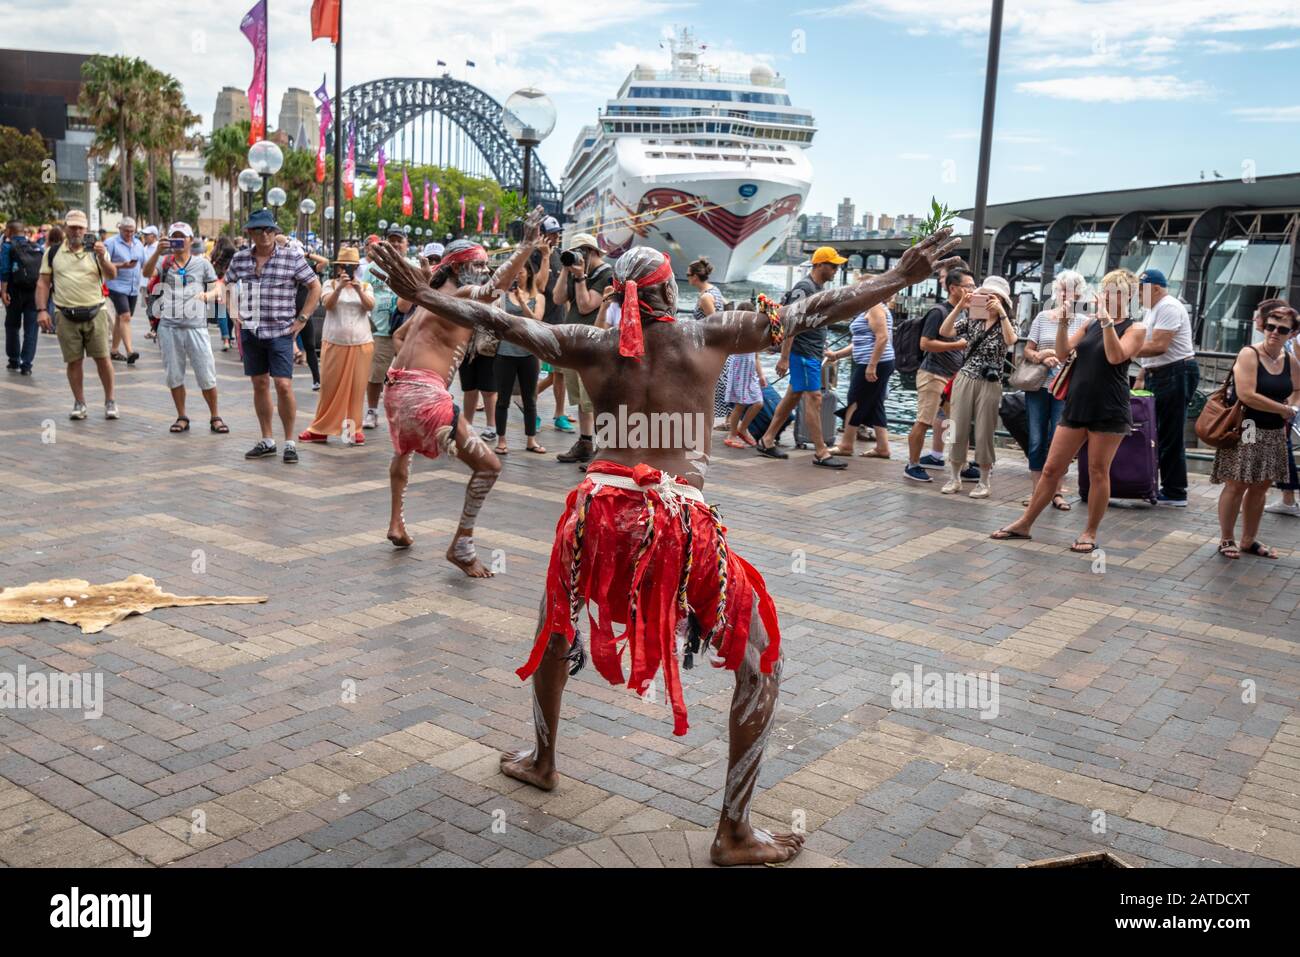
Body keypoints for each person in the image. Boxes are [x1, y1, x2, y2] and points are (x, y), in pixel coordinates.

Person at [371, 210, 963, 866]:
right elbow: (813, 309)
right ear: (667, 294)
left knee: (556, 627)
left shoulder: (589, 343)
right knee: (760, 661)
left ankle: (542, 758)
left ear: (620, 295)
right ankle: (733, 829)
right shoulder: (707, 333)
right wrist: (895, 278)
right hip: (676, 522)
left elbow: (505, 323)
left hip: (597, 514)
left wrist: (425, 293)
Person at [377, 236, 535, 574]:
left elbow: (400, 336)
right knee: (489, 467)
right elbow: (496, 288)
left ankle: (396, 524)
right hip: (423, 396)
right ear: (459, 268)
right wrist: (526, 248)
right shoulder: (460, 296)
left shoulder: (431, 301)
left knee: (402, 450)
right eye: (477, 265)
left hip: (397, 389)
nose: (483, 271)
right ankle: (462, 547)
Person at [992, 269, 1148, 552]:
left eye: (1117, 293)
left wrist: (1108, 322)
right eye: (1107, 291)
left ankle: (1089, 532)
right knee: (1052, 468)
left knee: (1098, 471)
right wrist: (1064, 324)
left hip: (1109, 408)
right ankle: (1025, 523)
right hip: (1077, 402)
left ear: (1129, 297)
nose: (1109, 297)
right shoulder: (1089, 324)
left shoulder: (1135, 328)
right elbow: (1063, 354)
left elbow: (1115, 356)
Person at [223, 209, 323, 464]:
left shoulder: (291, 257)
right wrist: (234, 313)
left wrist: (302, 319)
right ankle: (268, 439)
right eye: (259, 230)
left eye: (269, 230)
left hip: (281, 331)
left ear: (275, 232)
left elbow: (314, 285)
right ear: (250, 233)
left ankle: (289, 441)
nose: (265, 235)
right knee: (259, 384)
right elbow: (228, 286)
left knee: (283, 384)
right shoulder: (240, 259)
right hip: (252, 331)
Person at [1214, 301, 1300, 558]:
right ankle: (1226, 538)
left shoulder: (1290, 361)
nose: (1274, 332)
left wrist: (1292, 407)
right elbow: (1247, 394)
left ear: (1292, 333)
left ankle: (1249, 539)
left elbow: (1297, 388)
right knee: (1236, 484)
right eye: (1270, 326)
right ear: (1263, 326)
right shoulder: (1250, 353)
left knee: (1261, 486)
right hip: (1247, 426)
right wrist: (1283, 409)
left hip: (1274, 431)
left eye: (1282, 329)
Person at [755, 246, 848, 468]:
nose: (836, 270)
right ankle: (821, 452)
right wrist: (784, 357)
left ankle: (767, 440)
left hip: (812, 352)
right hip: (804, 353)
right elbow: (790, 323)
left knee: (793, 396)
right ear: (819, 265)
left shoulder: (815, 288)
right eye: (833, 266)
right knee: (814, 398)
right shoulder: (805, 288)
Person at [142, 222, 226, 434]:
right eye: (174, 237)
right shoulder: (164, 261)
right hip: (169, 327)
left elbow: (218, 285)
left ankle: (215, 416)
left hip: (196, 326)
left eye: (182, 237)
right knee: (174, 374)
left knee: (206, 373)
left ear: (190, 240)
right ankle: (181, 416)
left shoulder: (202, 263)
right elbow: (146, 273)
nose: (178, 241)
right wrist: (157, 253)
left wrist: (209, 295)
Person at [34, 210, 119, 420]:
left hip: (95, 312)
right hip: (65, 314)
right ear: (65, 228)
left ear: (86, 229)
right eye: (72, 227)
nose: (76, 231)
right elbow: (43, 282)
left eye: (80, 227)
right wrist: (42, 310)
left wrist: (102, 257)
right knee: (74, 361)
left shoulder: (98, 250)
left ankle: (110, 401)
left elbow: (112, 275)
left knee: (103, 359)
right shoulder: (53, 252)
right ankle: (80, 403)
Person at [938, 276, 1016, 497]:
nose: (987, 299)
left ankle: (984, 481)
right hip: (965, 377)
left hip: (990, 382)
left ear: (1002, 299)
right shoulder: (973, 319)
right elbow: (945, 331)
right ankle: (954, 478)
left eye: (993, 296)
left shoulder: (1006, 321)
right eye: (985, 295)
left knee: (984, 431)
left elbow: (1011, 341)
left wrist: (1001, 313)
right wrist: (960, 308)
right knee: (957, 426)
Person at [1022, 269, 1089, 509]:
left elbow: (1085, 355)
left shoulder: (1084, 323)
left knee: (1058, 441)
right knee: (1037, 439)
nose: (1064, 294)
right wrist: (1041, 356)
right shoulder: (1042, 318)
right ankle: (1037, 492)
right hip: (1039, 386)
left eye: (1070, 290)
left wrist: (1065, 356)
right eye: (1061, 289)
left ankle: (1057, 491)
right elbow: (1027, 350)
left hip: (1066, 388)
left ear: (1079, 294)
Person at [1132, 268, 1198, 507]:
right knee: (1158, 432)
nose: (1137, 295)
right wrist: (1142, 374)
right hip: (1159, 372)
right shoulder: (1153, 309)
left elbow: (1159, 345)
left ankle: (1175, 490)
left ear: (1155, 289)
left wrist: (1123, 349)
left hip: (1174, 372)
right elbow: (1152, 350)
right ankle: (1165, 486)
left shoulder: (1168, 307)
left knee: (1170, 433)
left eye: (1140, 290)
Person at [298, 247, 375, 445]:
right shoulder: (329, 284)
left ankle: (352, 430)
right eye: (344, 266)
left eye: (351, 267)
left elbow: (369, 306)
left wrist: (357, 288)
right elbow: (328, 305)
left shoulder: (365, 286)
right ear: (338, 267)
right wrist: (341, 287)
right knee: (329, 388)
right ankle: (320, 429)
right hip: (334, 342)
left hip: (361, 343)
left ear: (357, 267)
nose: (347, 270)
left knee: (356, 389)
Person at [904, 267, 975, 481]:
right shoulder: (938, 312)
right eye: (968, 286)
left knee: (955, 423)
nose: (972, 289)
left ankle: (961, 465)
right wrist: (957, 346)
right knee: (925, 420)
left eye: (973, 286)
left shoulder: (965, 311)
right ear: (953, 288)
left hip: (954, 376)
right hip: (933, 374)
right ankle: (912, 464)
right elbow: (925, 343)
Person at [550, 232, 614, 463]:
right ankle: (585, 442)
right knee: (580, 398)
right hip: (574, 342)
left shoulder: (605, 274)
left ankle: (603, 450)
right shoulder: (576, 270)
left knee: (594, 399)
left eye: (582, 251)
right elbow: (557, 299)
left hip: (594, 345)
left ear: (593, 251)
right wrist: (566, 270)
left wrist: (579, 278)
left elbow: (587, 306)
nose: (579, 256)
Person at [359, 228, 415, 431]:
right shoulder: (372, 267)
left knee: (410, 376)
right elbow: (364, 293)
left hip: (409, 332)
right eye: (392, 241)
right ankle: (372, 411)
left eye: (400, 241)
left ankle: (408, 414)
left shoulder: (414, 266)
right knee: (375, 375)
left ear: (407, 243)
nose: (396, 245)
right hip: (381, 330)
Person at [492, 255, 548, 454]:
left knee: (530, 399)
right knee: (503, 399)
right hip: (505, 353)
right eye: (514, 273)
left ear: (529, 273)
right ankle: (501, 440)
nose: (517, 276)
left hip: (529, 354)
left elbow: (537, 321)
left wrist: (523, 303)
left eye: (521, 272)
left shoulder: (538, 297)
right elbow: (497, 320)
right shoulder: (502, 297)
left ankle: (531, 440)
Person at [534, 216, 572, 433]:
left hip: (559, 321)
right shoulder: (532, 256)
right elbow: (538, 286)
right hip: (537, 322)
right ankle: (532, 409)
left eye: (558, 232)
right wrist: (545, 257)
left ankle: (560, 414)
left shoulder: (560, 256)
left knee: (561, 372)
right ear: (541, 235)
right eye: (552, 233)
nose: (556, 236)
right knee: (535, 370)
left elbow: (564, 291)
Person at [3, 219, 42, 375]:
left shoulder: (7, 247)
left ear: (9, 232)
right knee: (31, 328)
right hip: (33, 292)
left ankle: (13, 360)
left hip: (14, 291)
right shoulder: (37, 247)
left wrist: (3, 291)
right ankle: (27, 364)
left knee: (12, 326)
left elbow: (5, 271)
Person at [722, 312, 767, 449]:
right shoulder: (737, 334)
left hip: (750, 373)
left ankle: (742, 428)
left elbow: (756, 356)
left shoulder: (755, 334)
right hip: (740, 372)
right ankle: (732, 435)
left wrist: (761, 375)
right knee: (740, 405)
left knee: (758, 403)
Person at [104, 217, 145, 364]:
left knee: (120, 318)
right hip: (116, 285)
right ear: (120, 229)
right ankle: (130, 351)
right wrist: (122, 265)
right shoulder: (110, 243)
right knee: (125, 316)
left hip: (133, 288)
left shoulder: (139, 244)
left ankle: (114, 350)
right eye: (126, 231)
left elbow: (144, 264)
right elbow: (102, 263)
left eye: (132, 231)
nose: (129, 234)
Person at [210, 237, 238, 351]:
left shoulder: (215, 257)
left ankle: (226, 339)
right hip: (233, 286)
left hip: (218, 285)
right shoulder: (235, 257)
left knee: (221, 313)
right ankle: (230, 337)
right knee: (231, 313)